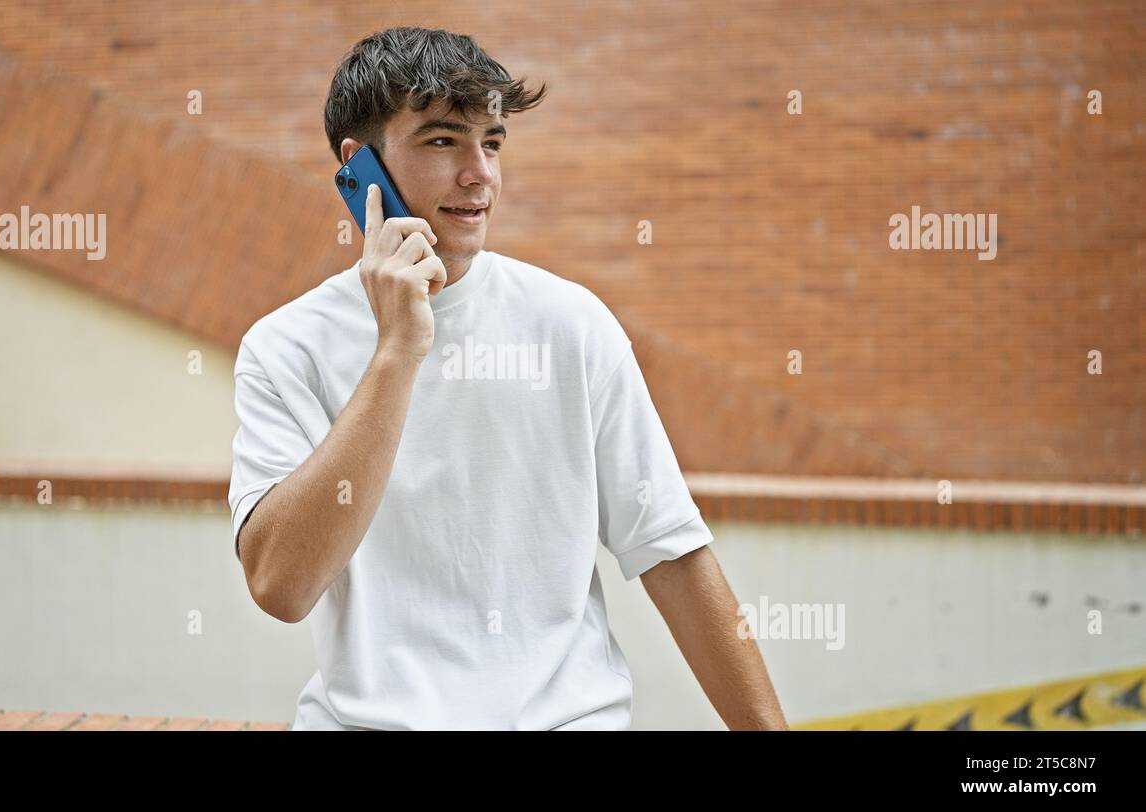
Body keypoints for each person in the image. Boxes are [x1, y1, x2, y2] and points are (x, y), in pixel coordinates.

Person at [228, 26, 787, 731]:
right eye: (443, 141)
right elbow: (281, 585)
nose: (480, 174)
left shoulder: (571, 324)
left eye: (491, 142)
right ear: (358, 166)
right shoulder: (285, 347)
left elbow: (672, 553)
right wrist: (397, 354)